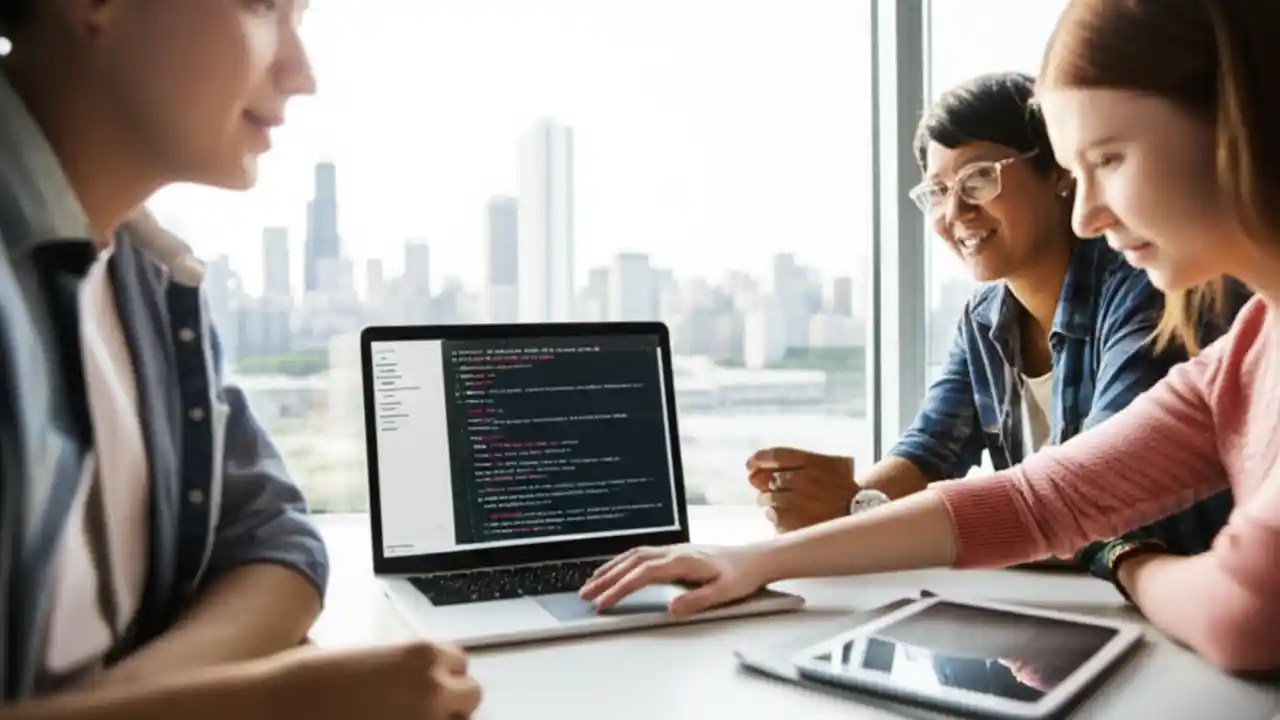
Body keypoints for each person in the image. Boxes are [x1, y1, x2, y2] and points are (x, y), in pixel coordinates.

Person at [582, 0, 1280, 673]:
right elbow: (1042, 498)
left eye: (1110, 159)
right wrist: (754, 560)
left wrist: (1128, 559)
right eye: (937, 191)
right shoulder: (1246, 350)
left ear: (1234, 119)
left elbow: (1242, 609)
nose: (1091, 211)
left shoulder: (1161, 305)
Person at [0, 1, 479, 718]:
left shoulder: (151, 282)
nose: (301, 73)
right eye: (261, 5)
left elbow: (272, 537)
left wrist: (141, 702)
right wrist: (257, 706)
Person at [747, 71, 1243, 585]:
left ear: (1058, 173)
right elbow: (928, 451)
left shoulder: (1144, 288)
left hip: (1189, 596)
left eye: (979, 177)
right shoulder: (985, 317)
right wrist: (830, 509)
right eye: (937, 191)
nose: (955, 211)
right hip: (1080, 603)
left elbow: (1096, 496)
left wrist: (857, 513)